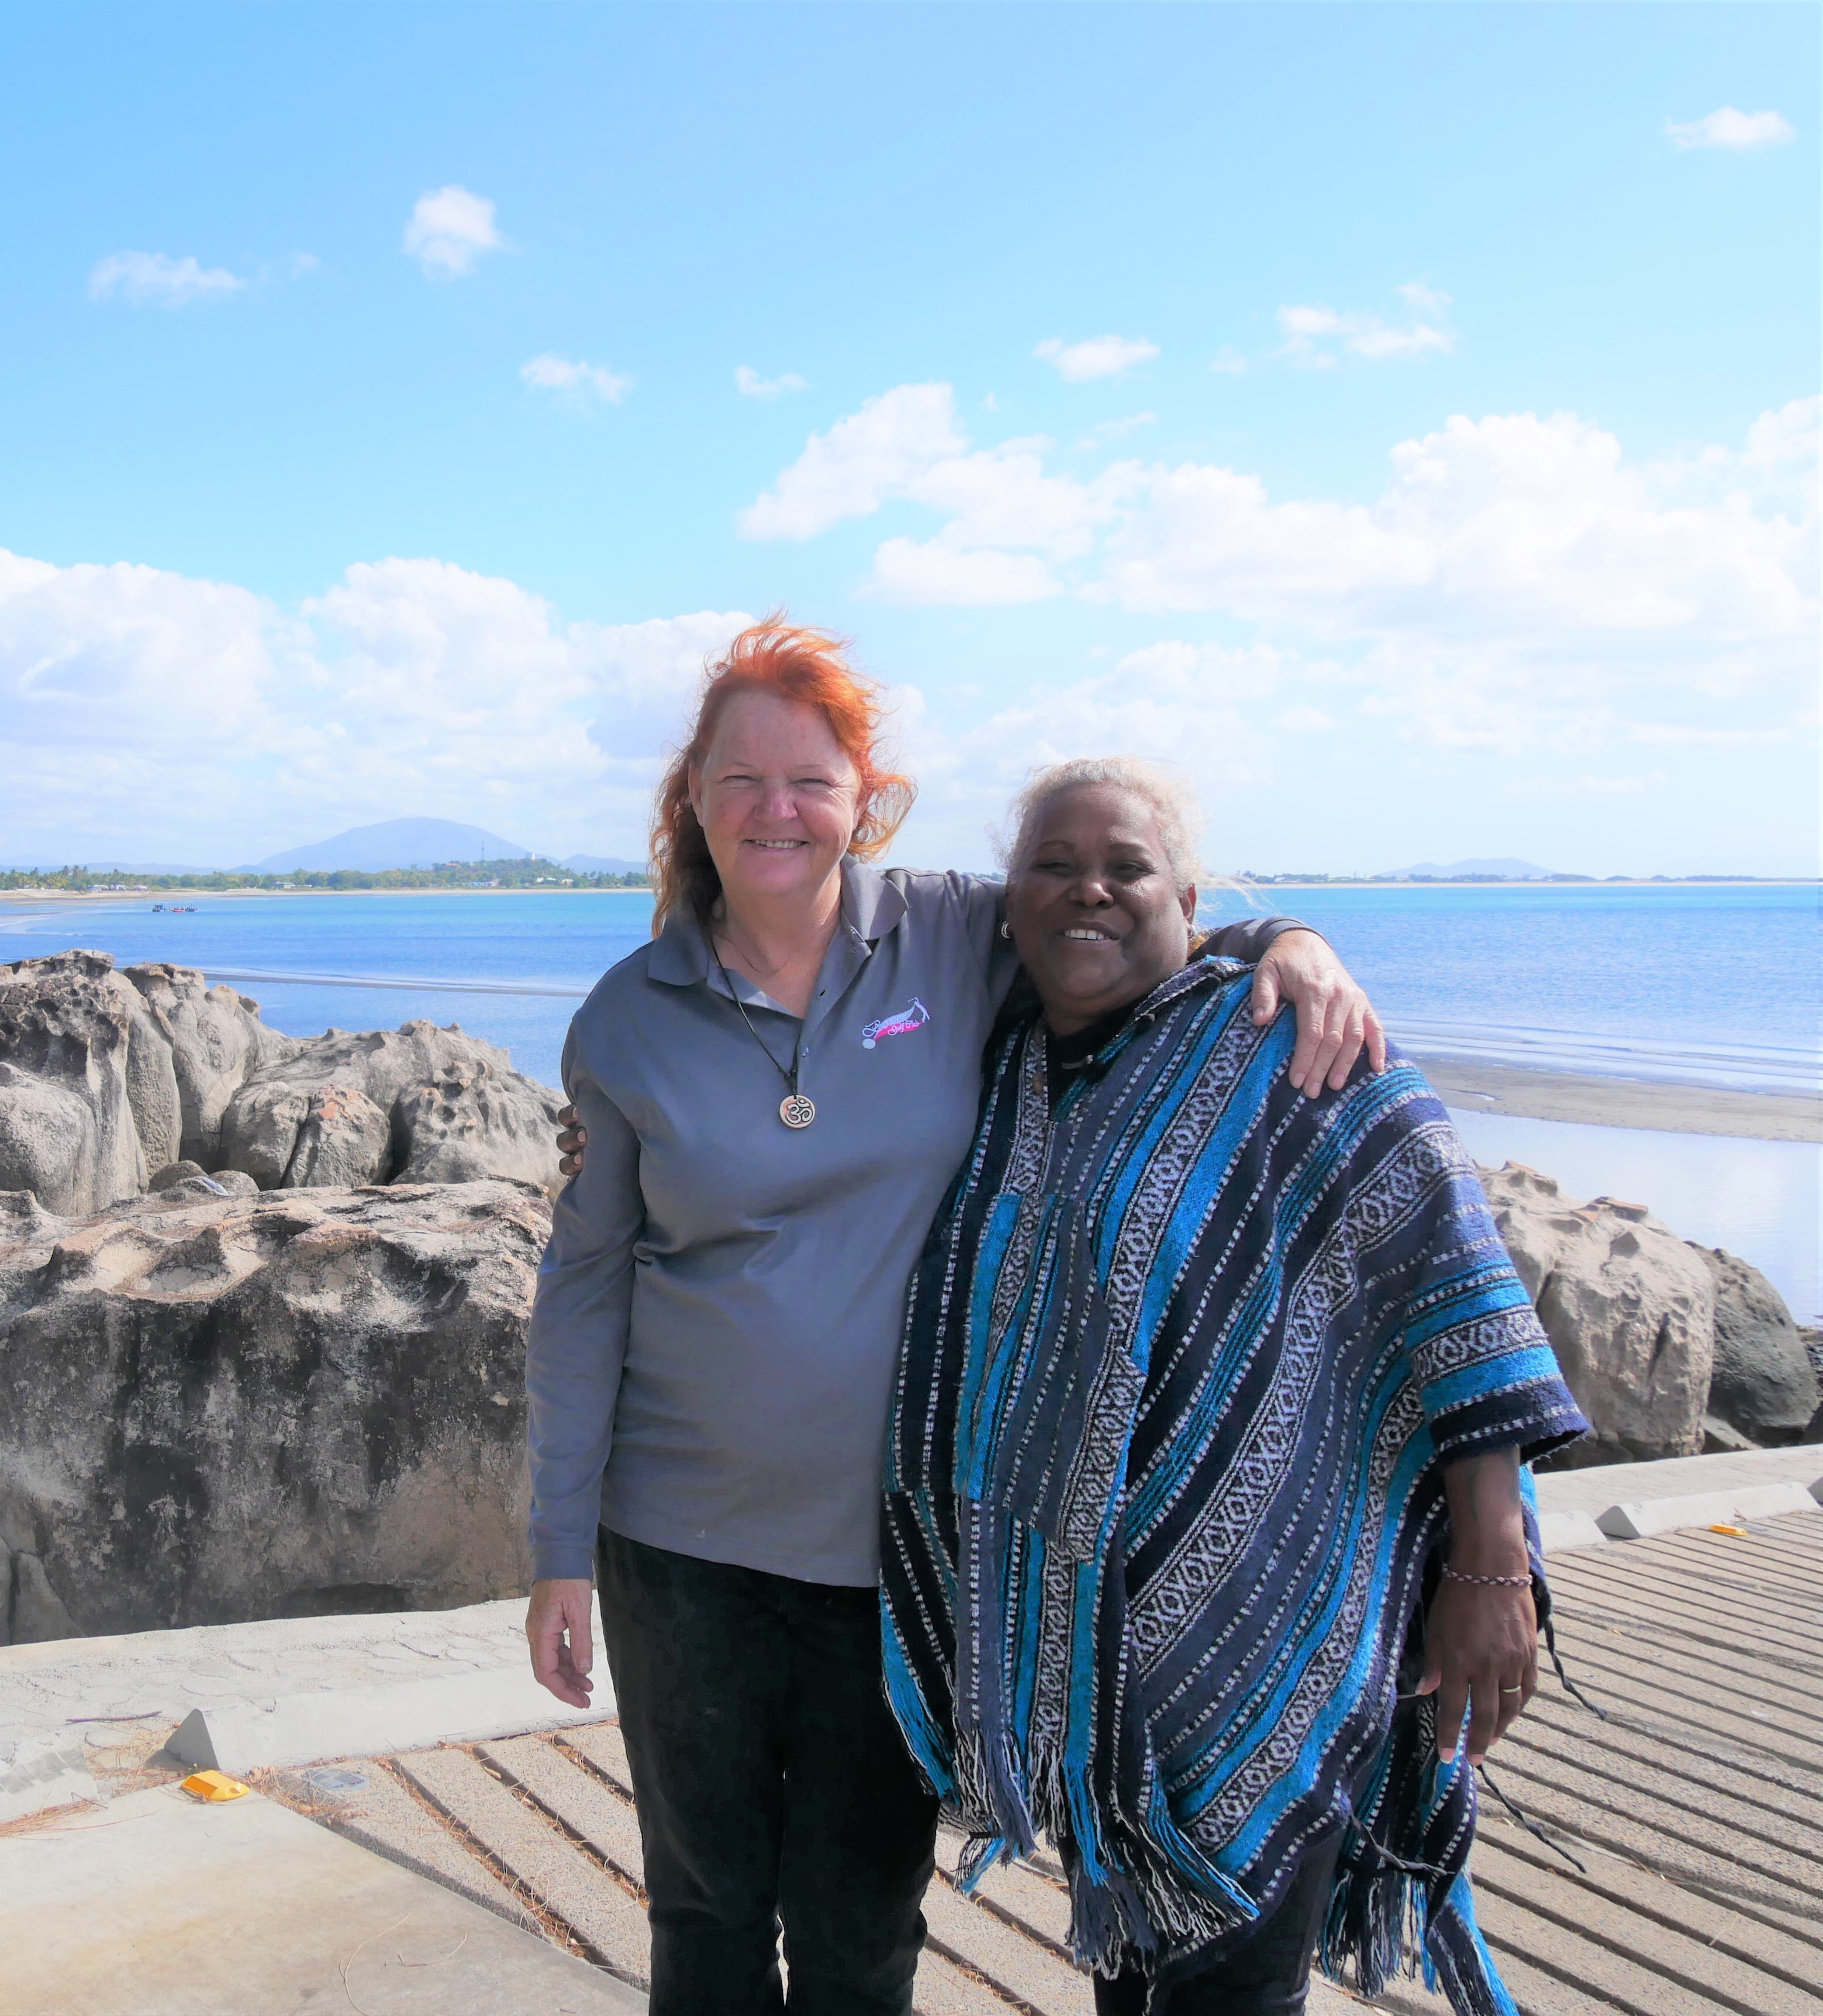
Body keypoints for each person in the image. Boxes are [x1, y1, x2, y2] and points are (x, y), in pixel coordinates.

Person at [526, 620, 1379, 2015]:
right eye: (741, 778)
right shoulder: (629, 1014)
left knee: (861, 1927)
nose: (776, 808)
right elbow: (583, 1288)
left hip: (901, 1546)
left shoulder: (947, 934)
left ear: (864, 798)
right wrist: (558, 1548)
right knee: (705, 1912)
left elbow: (1118, 910)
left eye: (810, 779)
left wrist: (1294, 939)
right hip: (675, 1547)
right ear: (694, 797)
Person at [879, 757, 1588, 2016]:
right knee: (1132, 1980)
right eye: (1053, 865)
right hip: (1094, 1661)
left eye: (1127, 867)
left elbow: (1451, 1280)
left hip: (1274, 1619)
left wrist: (1490, 1564)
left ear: (1189, 901)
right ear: (1007, 898)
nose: (1088, 889)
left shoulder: (1284, 1045)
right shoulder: (998, 1058)